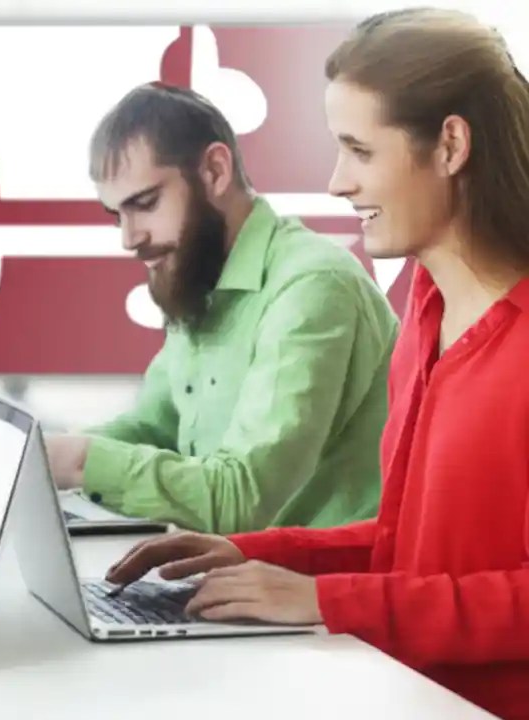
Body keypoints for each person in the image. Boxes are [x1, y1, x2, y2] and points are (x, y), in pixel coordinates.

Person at [106, 9, 529, 719]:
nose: (337, 182)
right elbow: (410, 550)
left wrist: (327, 600)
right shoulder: (425, 313)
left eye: (360, 151)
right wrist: (253, 552)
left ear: (451, 144)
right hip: (397, 690)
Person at [43, 82, 399, 534]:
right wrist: (32, 456)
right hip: (236, 577)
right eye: (118, 215)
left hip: (319, 591)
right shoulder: (201, 273)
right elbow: (156, 426)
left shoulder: (312, 287)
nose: (129, 238)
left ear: (214, 171)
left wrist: (75, 462)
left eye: (146, 204)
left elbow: (242, 498)